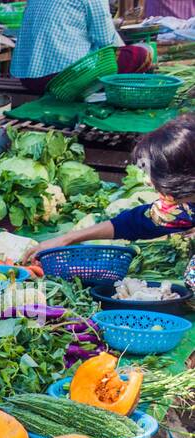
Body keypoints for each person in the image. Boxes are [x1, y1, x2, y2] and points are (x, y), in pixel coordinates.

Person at [26, 114, 195, 290]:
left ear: (180, 176)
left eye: (155, 174)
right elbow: (137, 222)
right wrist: (66, 239)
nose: (148, 181)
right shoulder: (185, 207)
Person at [12, 0, 153, 94]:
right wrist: (125, 50)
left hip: (27, 78)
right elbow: (106, 40)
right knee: (141, 54)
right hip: (59, 80)